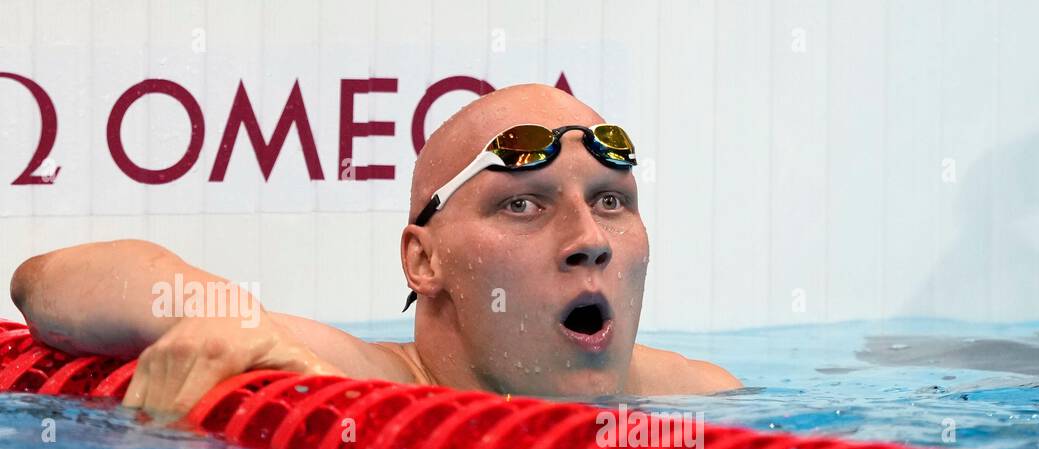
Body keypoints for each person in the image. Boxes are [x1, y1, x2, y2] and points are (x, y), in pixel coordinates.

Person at [8, 83, 740, 419]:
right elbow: (45, 282)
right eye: (524, 204)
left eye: (612, 202)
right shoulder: (353, 379)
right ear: (424, 262)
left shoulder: (703, 397)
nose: (588, 241)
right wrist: (222, 310)